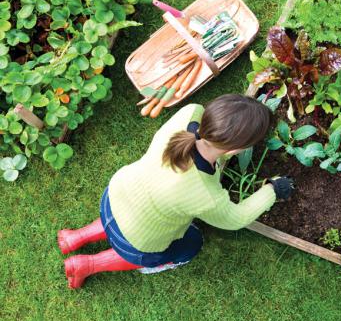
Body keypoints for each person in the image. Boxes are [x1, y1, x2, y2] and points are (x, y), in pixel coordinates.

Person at [57, 94, 293, 289]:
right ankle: (87, 265)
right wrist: (273, 189)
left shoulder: (189, 114)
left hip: (115, 196)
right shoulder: (205, 194)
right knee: (191, 244)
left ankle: (75, 237)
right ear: (237, 149)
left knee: (126, 216)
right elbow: (236, 218)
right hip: (137, 240)